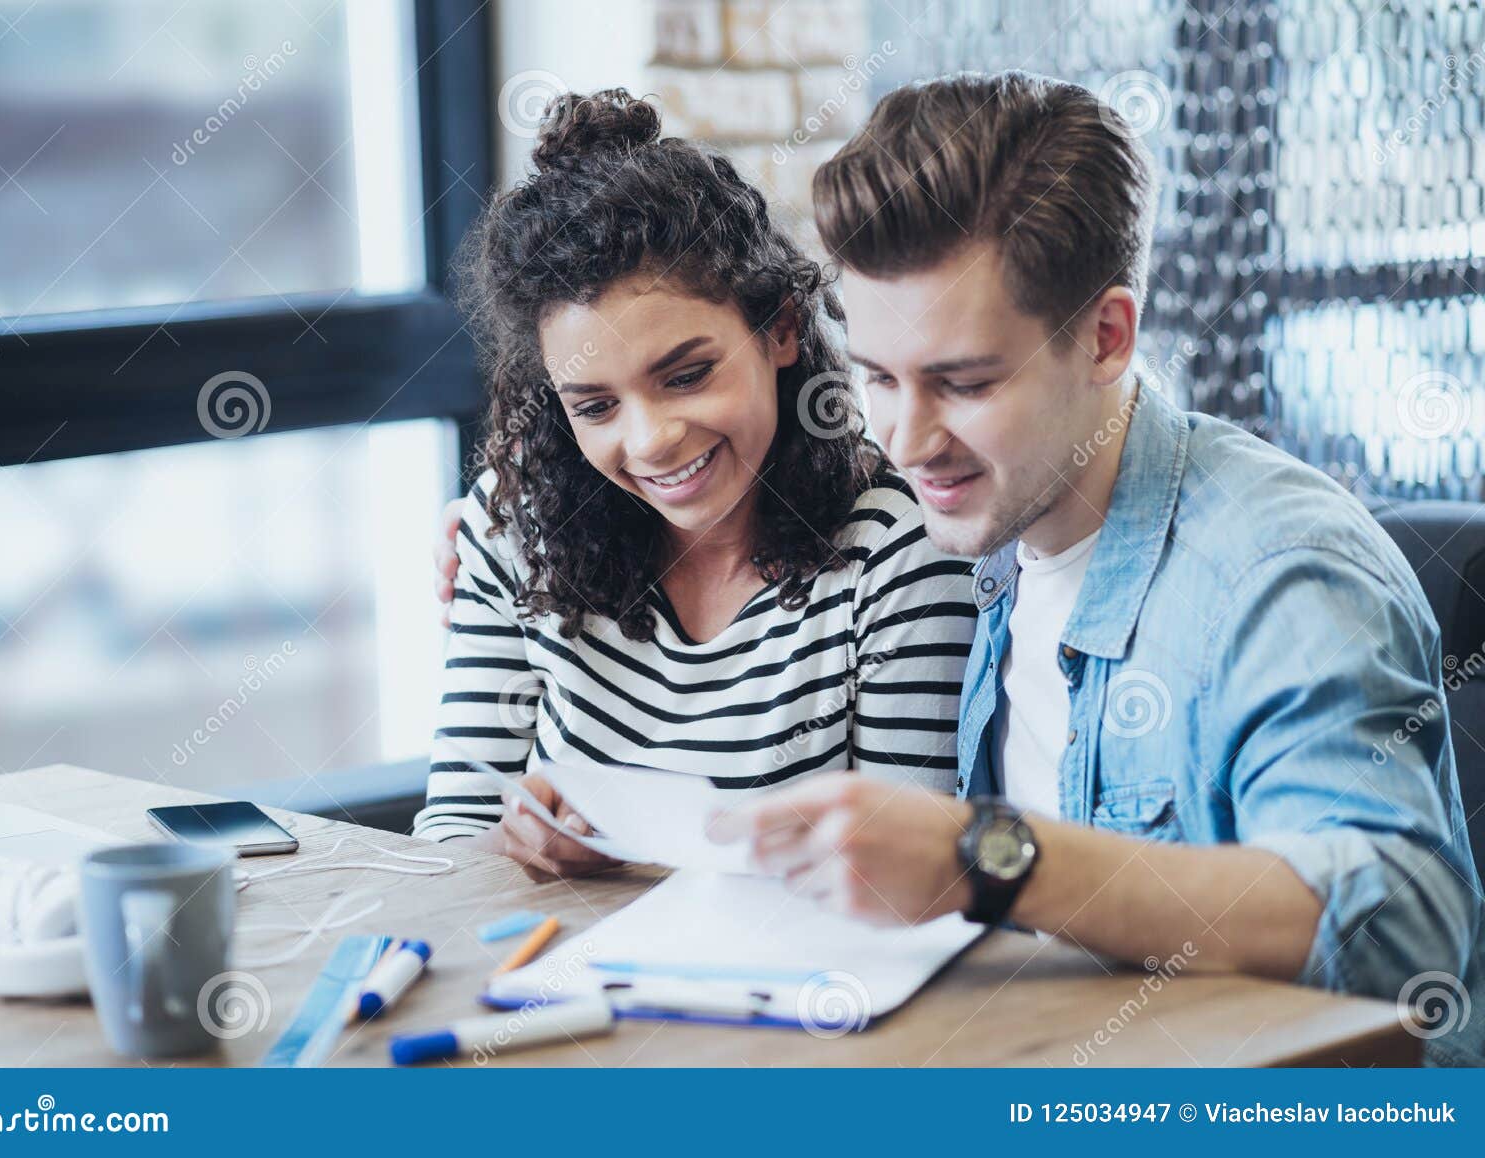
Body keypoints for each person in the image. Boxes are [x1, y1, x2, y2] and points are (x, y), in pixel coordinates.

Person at [703, 71, 1484, 1066]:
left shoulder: (1280, 571)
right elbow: (715, 483)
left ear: (1107, 337)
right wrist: (509, 526)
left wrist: (984, 860)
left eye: (966, 383)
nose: (906, 439)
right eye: (878, 377)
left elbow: (1397, 927)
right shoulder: (988, 509)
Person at [415, 90, 976, 881]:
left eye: (686, 375)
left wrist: (641, 867)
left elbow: (909, 878)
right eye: (596, 406)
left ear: (780, 329)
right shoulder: (511, 531)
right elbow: (449, 836)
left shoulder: (896, 554)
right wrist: (519, 845)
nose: (649, 440)